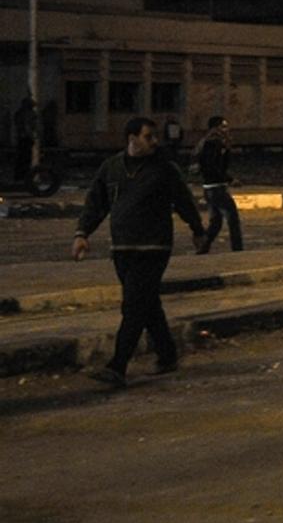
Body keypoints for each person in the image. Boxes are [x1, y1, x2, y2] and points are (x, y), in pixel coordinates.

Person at [71, 117, 209, 388]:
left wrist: (197, 230)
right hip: (122, 248)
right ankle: (167, 355)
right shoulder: (111, 168)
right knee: (147, 304)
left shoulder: (164, 168)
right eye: (149, 136)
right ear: (132, 139)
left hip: (154, 247)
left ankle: (117, 366)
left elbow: (183, 200)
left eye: (155, 136)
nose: (155, 141)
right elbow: (96, 203)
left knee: (133, 306)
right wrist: (81, 234)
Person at [194, 115, 243, 252]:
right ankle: (237, 250)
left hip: (210, 187)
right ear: (215, 128)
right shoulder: (213, 143)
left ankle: (203, 247)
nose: (226, 129)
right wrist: (229, 179)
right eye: (223, 126)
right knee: (232, 219)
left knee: (216, 222)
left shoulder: (209, 142)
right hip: (217, 188)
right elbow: (213, 166)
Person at [12, 95, 36, 182]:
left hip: (22, 138)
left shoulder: (19, 113)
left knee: (21, 158)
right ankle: (23, 177)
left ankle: (20, 177)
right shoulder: (26, 114)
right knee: (25, 158)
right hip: (25, 138)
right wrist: (31, 136)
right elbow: (27, 127)